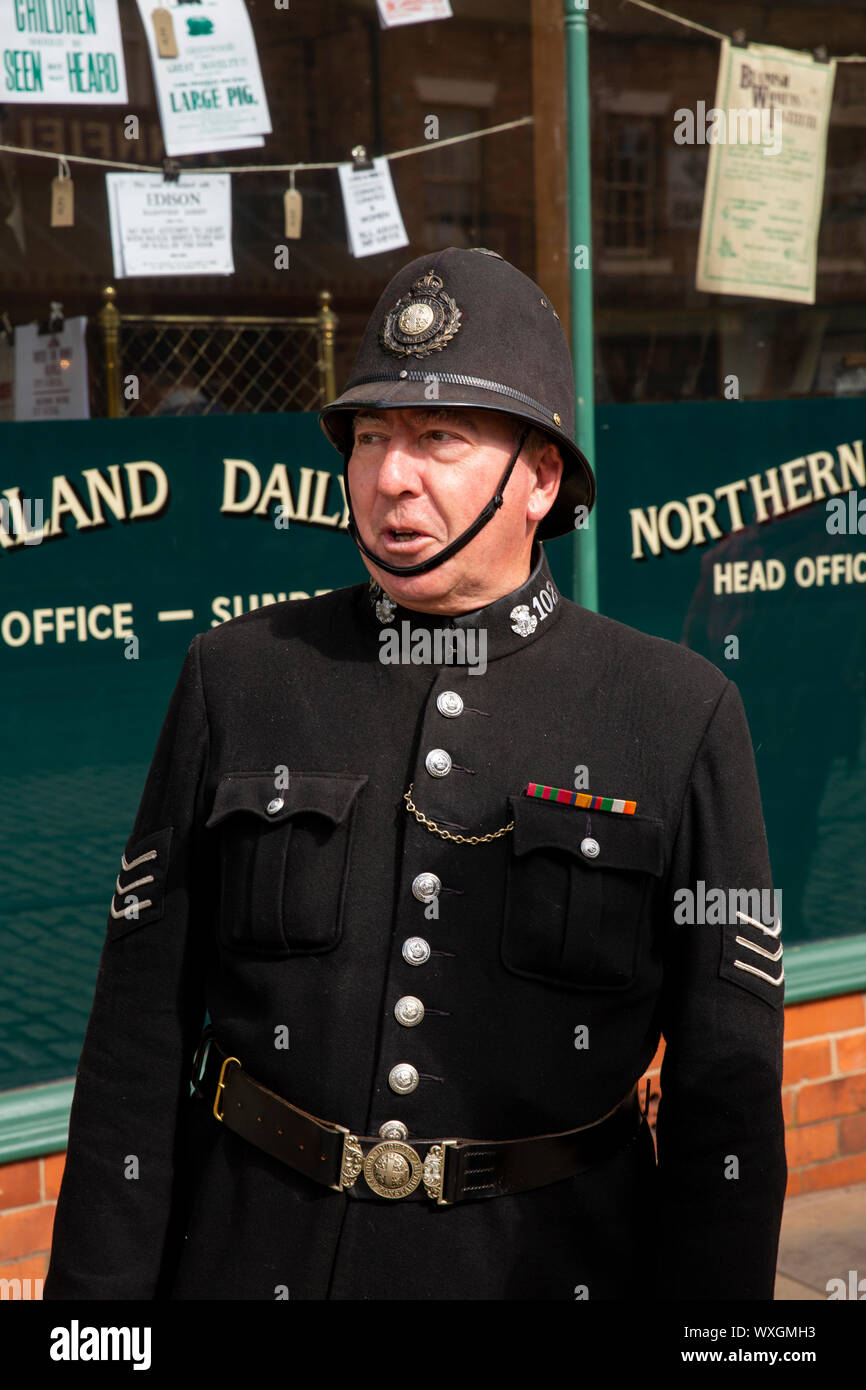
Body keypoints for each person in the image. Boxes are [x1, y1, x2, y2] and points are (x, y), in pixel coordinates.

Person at [44, 246, 786, 1301]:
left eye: (437, 437)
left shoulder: (673, 713)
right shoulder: (238, 677)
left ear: (539, 476)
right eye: (371, 437)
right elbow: (134, 1043)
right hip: (254, 1258)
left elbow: (726, 1101)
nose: (391, 476)